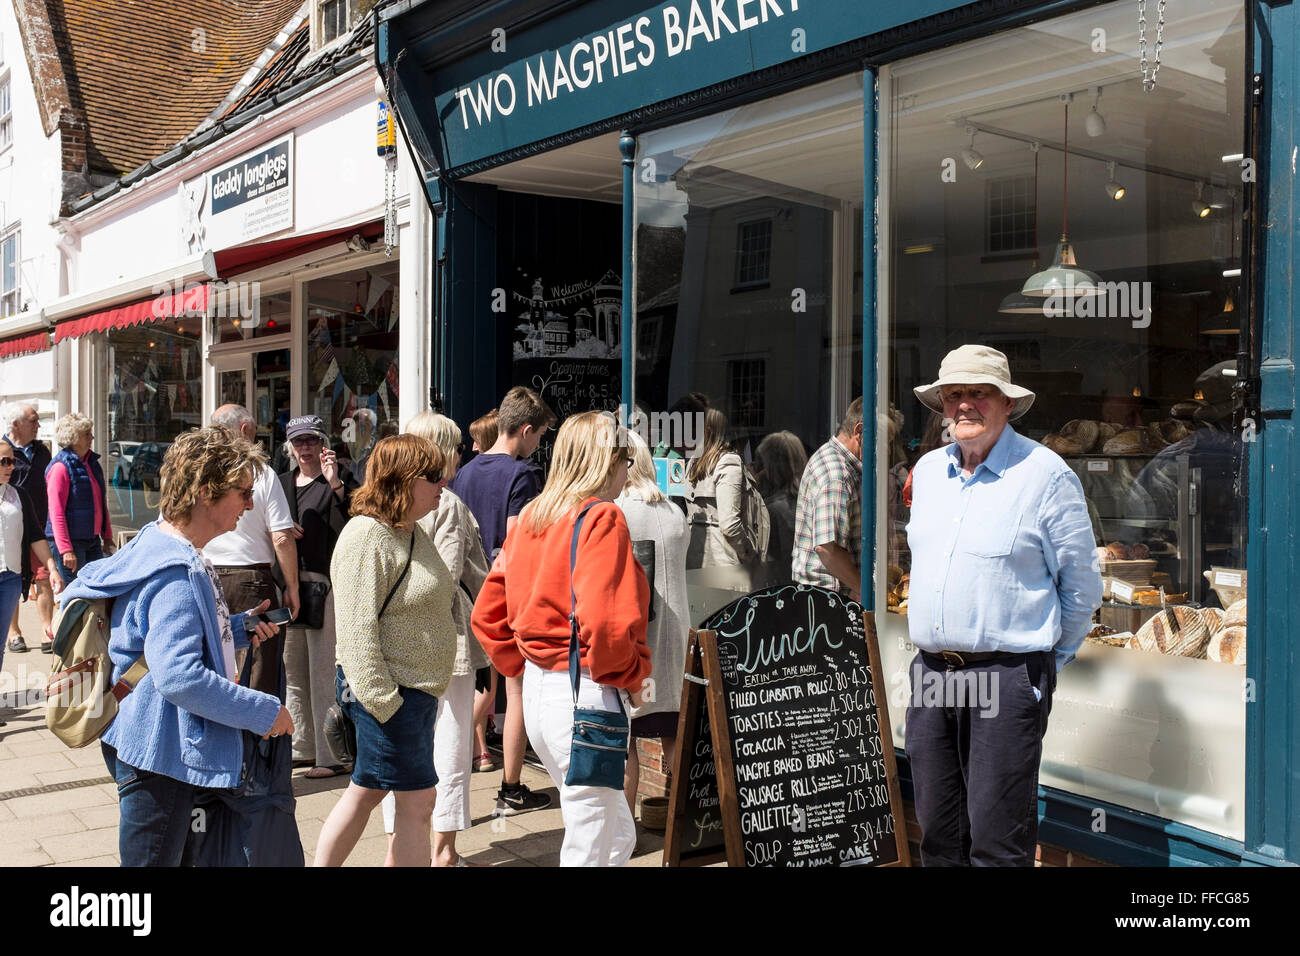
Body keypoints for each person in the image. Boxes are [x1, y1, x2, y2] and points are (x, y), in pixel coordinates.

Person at [58, 426, 292, 866]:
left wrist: (236, 629)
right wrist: (265, 712)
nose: (249, 503)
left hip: (141, 737)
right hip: (158, 753)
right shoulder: (177, 571)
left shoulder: (157, 539)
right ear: (206, 492)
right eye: (242, 492)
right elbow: (180, 677)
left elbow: (154, 637)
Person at [906, 344, 1102, 867]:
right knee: (938, 836)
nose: (965, 405)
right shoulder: (927, 472)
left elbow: (1082, 587)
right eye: (954, 395)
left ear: (1007, 403)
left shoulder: (1046, 474)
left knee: (997, 843)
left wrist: (1038, 668)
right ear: (942, 405)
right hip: (930, 675)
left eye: (979, 393)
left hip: (1005, 673)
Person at [472, 410, 651, 866]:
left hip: (540, 694)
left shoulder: (534, 515)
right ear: (605, 460)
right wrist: (633, 678)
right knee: (592, 844)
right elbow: (608, 627)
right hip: (585, 693)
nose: (628, 468)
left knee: (612, 835)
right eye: (624, 457)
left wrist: (526, 661)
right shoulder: (601, 518)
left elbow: (488, 614)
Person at [314, 435, 457, 867]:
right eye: (432, 477)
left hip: (413, 694)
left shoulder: (409, 530)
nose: (442, 484)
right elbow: (355, 633)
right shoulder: (366, 537)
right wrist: (385, 704)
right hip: (392, 696)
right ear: (403, 480)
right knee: (416, 804)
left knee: (368, 792)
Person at [376, 412, 490, 866]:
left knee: (405, 748)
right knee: (450, 744)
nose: (461, 456)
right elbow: (443, 578)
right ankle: (442, 852)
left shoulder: (390, 508)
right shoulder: (449, 508)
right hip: (447, 640)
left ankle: (399, 849)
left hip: (400, 639)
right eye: (456, 447)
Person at [450, 385, 556, 813]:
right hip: (507, 597)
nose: (538, 446)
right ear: (526, 430)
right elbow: (517, 541)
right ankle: (511, 789)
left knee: (475, 690)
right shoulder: (522, 474)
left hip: (471, 597)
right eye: (540, 437)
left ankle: (451, 770)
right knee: (514, 695)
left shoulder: (464, 473)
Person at [279, 415, 358, 778]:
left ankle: (333, 755)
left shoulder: (337, 481)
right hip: (289, 584)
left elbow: (354, 521)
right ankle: (303, 746)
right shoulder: (282, 483)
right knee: (293, 670)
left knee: (324, 670)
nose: (305, 448)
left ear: (323, 442)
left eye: (311, 440)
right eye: (298, 442)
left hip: (323, 585)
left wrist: (336, 484)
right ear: (290, 446)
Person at [616, 431, 689, 820]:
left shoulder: (618, 511)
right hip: (674, 641)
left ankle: (624, 836)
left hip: (638, 644)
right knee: (673, 733)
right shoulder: (675, 512)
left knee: (626, 741)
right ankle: (680, 830)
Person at [206, 405, 300, 697]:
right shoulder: (261, 472)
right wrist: (292, 588)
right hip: (252, 583)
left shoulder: (203, 470)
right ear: (245, 430)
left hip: (207, 578)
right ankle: (255, 738)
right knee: (260, 670)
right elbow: (282, 538)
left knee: (213, 665)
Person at [0, 436, 65, 719]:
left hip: (11, 579)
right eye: (3, 461)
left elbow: (36, 536)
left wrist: (51, 567)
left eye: (12, 461)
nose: (10, 466)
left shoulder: (19, 495)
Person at [684, 408, 769, 588]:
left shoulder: (694, 463)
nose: (745, 435)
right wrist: (750, 555)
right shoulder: (728, 461)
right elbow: (730, 524)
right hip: (724, 564)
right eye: (739, 429)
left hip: (697, 558)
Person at [792, 397, 864, 601]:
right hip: (829, 602)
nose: (887, 451)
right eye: (885, 441)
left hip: (824, 599)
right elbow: (827, 549)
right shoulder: (836, 475)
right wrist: (864, 590)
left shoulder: (836, 461)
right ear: (859, 431)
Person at [3, 403, 54, 654]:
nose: (38, 425)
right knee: (14, 579)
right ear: (16, 424)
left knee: (44, 577)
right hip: (10, 531)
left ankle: (47, 629)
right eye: (33, 421)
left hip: (38, 527)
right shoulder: (3, 451)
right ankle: (14, 632)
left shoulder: (42, 451)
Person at [44, 413, 115, 587]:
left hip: (92, 539)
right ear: (74, 438)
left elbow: (100, 503)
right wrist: (66, 549)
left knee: (95, 591)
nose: (92, 437)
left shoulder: (91, 462)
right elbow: (56, 512)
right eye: (86, 434)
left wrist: (107, 536)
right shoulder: (60, 467)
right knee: (74, 596)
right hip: (71, 543)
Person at [754, 430, 807, 579]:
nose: (759, 469)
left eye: (761, 464)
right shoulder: (808, 501)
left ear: (772, 467)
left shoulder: (772, 509)